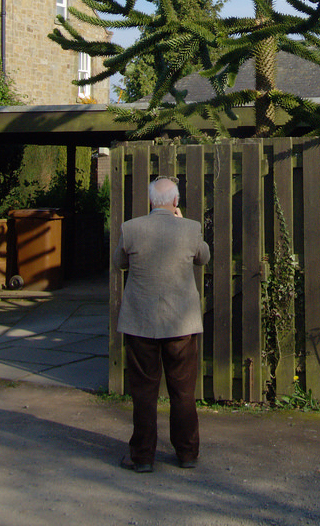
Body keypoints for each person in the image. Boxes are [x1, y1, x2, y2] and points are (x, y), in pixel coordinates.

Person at [113, 176, 210, 472]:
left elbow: (120, 262)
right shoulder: (191, 229)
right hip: (180, 325)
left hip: (140, 322)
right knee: (183, 391)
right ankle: (187, 453)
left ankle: (142, 457)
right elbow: (203, 258)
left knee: (144, 391)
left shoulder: (131, 228)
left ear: (151, 201)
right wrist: (183, 221)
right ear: (176, 201)